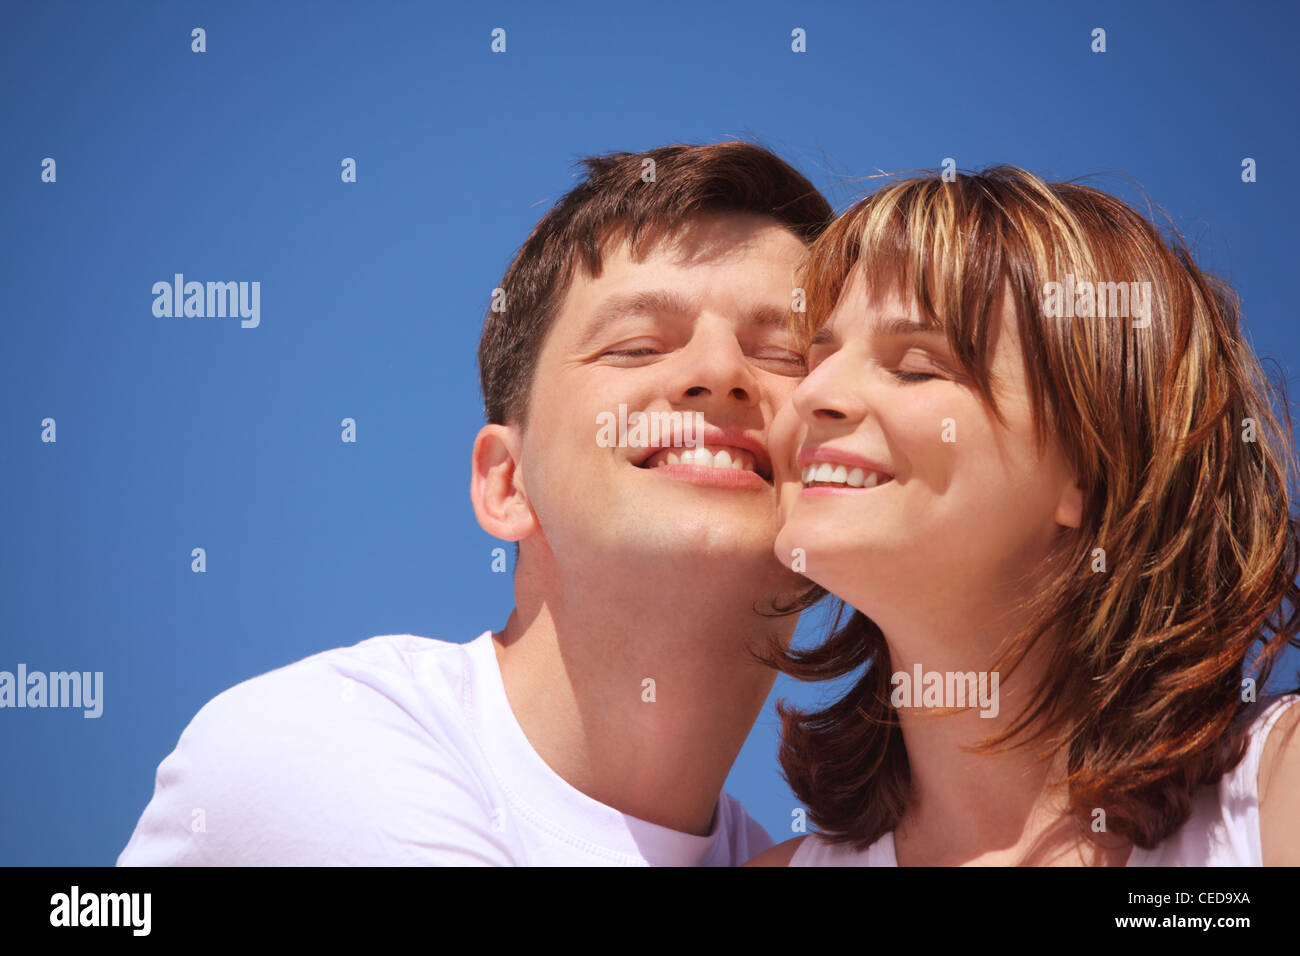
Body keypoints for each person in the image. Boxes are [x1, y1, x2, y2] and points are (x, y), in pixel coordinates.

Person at [117, 142, 832, 866]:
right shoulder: (320, 739)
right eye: (638, 346)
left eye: (785, 357)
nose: (719, 371)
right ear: (506, 483)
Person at [747, 165, 1300, 866]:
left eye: (916, 365)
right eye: (813, 358)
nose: (811, 395)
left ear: (1091, 469)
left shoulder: (1275, 798)